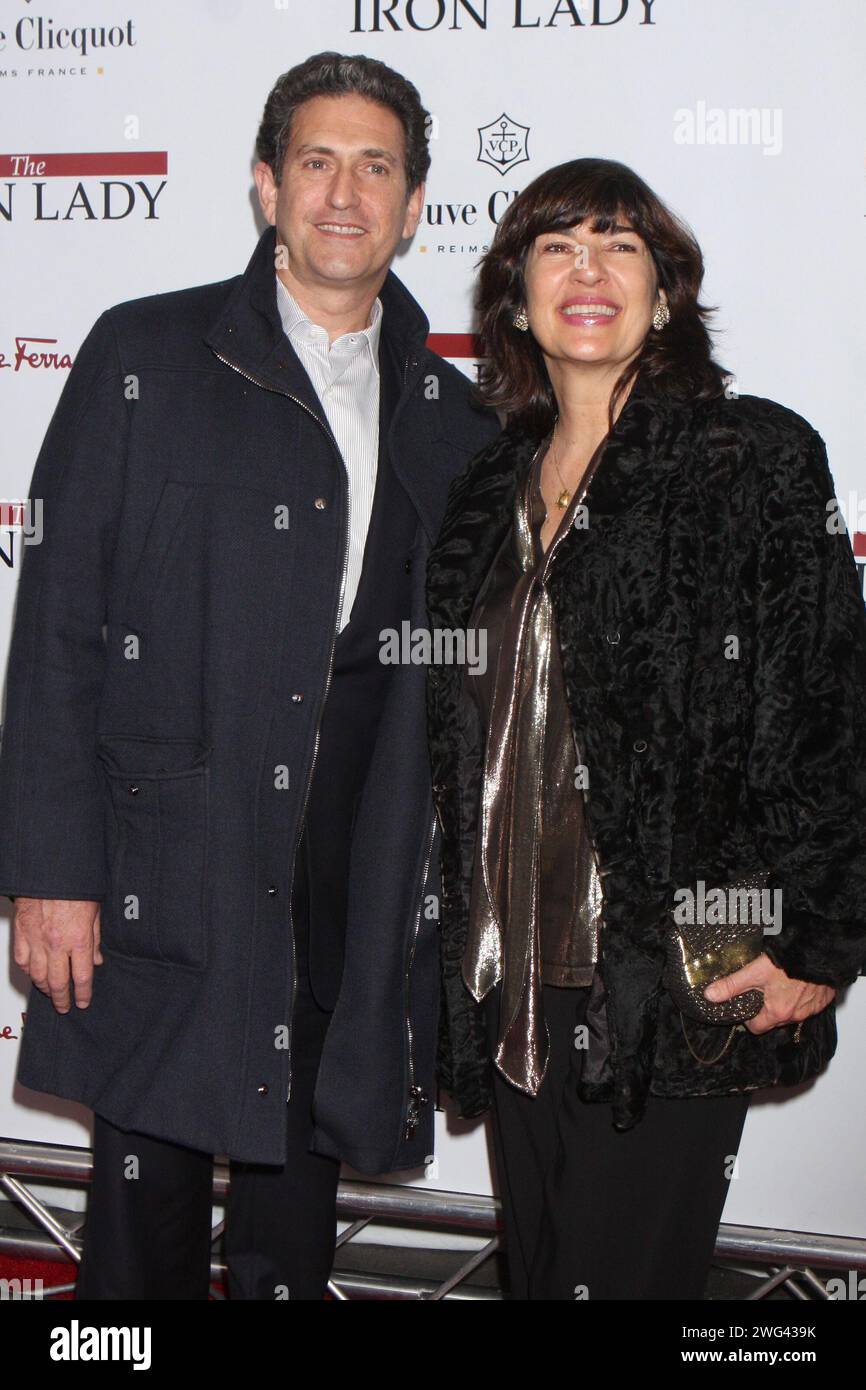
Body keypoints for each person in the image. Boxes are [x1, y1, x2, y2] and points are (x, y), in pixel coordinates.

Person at [0, 51, 499, 1300]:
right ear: (266, 187)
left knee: (290, 1222)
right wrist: (51, 872)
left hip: (344, 878)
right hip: (167, 857)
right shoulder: (148, 354)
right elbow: (59, 626)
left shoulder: (452, 412)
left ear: (415, 200)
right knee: (135, 1237)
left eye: (375, 166)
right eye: (317, 162)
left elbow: (457, 685)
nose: (345, 191)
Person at [425, 157, 866, 1300]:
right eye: (555, 243)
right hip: (512, 970)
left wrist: (812, 937)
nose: (586, 268)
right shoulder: (487, 491)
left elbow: (825, 707)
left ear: (663, 292)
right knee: (543, 1281)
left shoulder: (751, 456)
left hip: (679, 973)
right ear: (514, 293)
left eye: (618, 244)